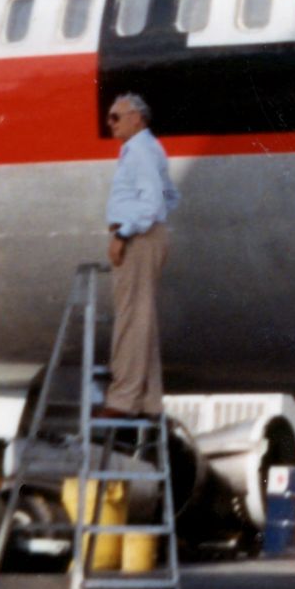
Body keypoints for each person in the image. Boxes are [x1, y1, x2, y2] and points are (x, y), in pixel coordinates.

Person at [100, 93, 179, 419]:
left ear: (136, 118)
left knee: (131, 316)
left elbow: (154, 202)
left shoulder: (140, 151)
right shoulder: (149, 148)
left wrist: (124, 232)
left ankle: (124, 399)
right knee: (142, 317)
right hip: (147, 233)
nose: (110, 124)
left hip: (137, 237)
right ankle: (148, 400)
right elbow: (169, 195)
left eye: (115, 117)